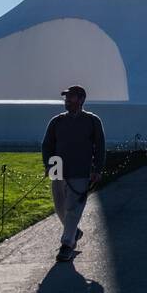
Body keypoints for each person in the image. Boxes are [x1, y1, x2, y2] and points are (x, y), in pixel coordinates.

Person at [41, 85, 106, 263]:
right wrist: (48, 164)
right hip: (58, 170)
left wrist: (97, 169)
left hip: (81, 171)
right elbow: (47, 145)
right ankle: (74, 232)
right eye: (66, 97)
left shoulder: (92, 121)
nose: (67, 100)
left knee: (73, 209)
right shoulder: (57, 121)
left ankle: (67, 244)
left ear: (81, 99)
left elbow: (100, 147)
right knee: (60, 208)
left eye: (71, 97)